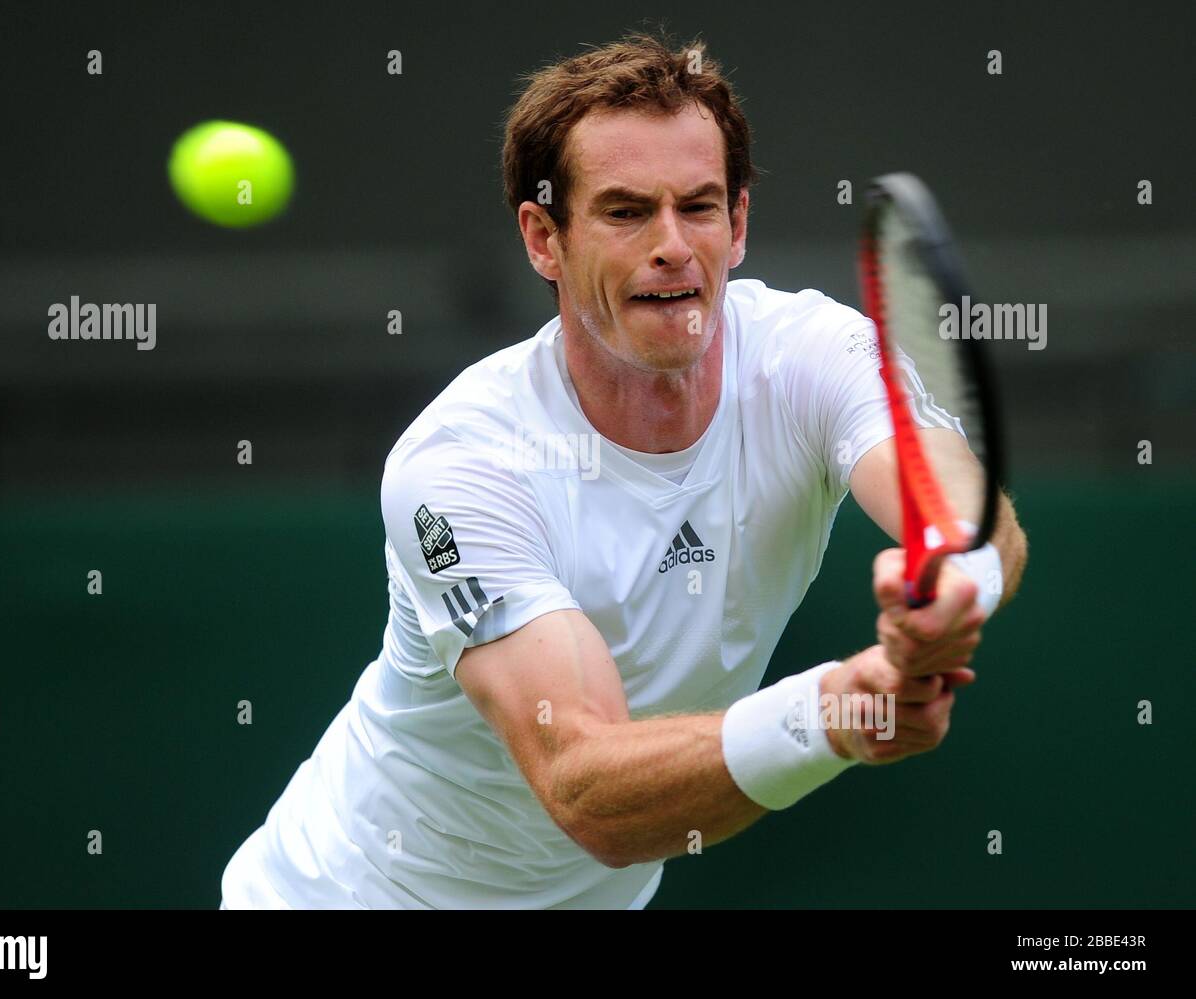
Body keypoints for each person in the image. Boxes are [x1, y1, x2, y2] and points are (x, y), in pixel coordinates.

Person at [220, 31, 1028, 909]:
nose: (673, 245)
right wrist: (827, 712)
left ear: (741, 223)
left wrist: (954, 579)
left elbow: (961, 509)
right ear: (543, 237)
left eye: (701, 206)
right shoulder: (462, 463)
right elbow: (585, 785)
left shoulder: (812, 356)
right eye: (625, 210)